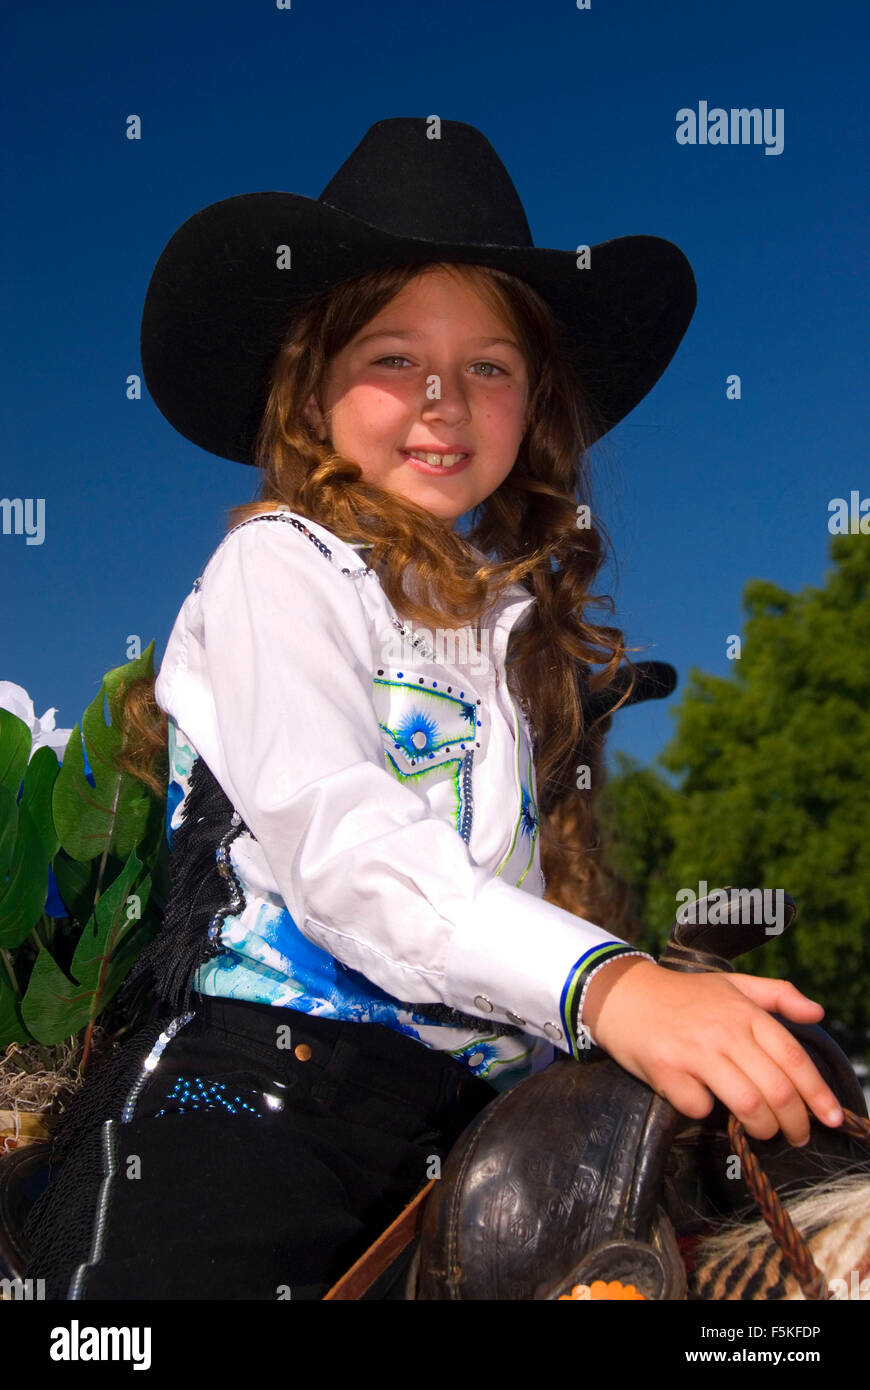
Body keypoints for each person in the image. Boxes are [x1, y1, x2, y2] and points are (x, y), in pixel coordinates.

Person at [23, 117, 844, 1302]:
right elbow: (352, 852)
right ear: (309, 394)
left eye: (491, 367)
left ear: (534, 405)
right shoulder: (280, 569)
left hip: (476, 1103)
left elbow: (502, 912)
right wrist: (614, 986)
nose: (444, 399)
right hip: (263, 1088)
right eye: (394, 356)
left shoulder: (515, 644)